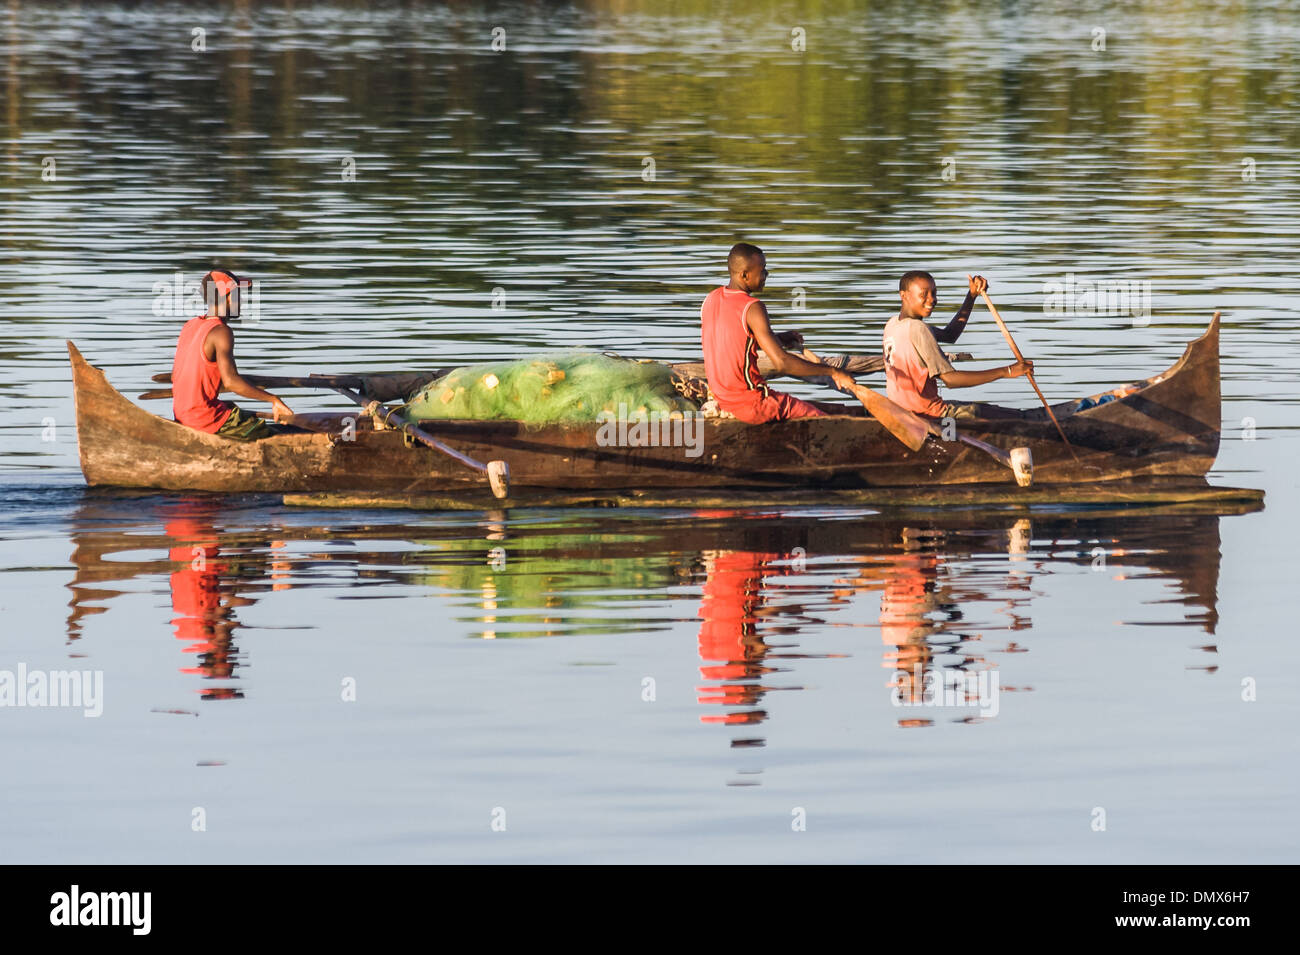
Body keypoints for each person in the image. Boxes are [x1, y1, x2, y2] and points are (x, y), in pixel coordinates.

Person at [701, 243, 856, 424]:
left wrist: (779, 339)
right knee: (825, 421)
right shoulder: (752, 307)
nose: (767, 275)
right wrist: (833, 372)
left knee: (827, 408)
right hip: (753, 404)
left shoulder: (711, 299)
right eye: (763, 270)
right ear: (744, 275)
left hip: (722, 399)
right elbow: (783, 363)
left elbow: (735, 344)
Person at [883, 271, 1032, 419]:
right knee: (1011, 416)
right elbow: (951, 380)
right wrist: (1007, 371)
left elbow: (950, 335)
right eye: (924, 294)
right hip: (929, 415)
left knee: (989, 410)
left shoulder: (892, 324)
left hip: (899, 411)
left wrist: (971, 296)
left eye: (934, 293)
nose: (932, 299)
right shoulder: (919, 329)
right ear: (904, 295)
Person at [172, 269, 294, 440]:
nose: (242, 300)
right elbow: (231, 382)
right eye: (239, 294)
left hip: (182, 416)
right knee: (270, 435)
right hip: (204, 421)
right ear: (227, 296)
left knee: (237, 412)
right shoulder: (221, 332)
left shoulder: (190, 326)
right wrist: (273, 400)